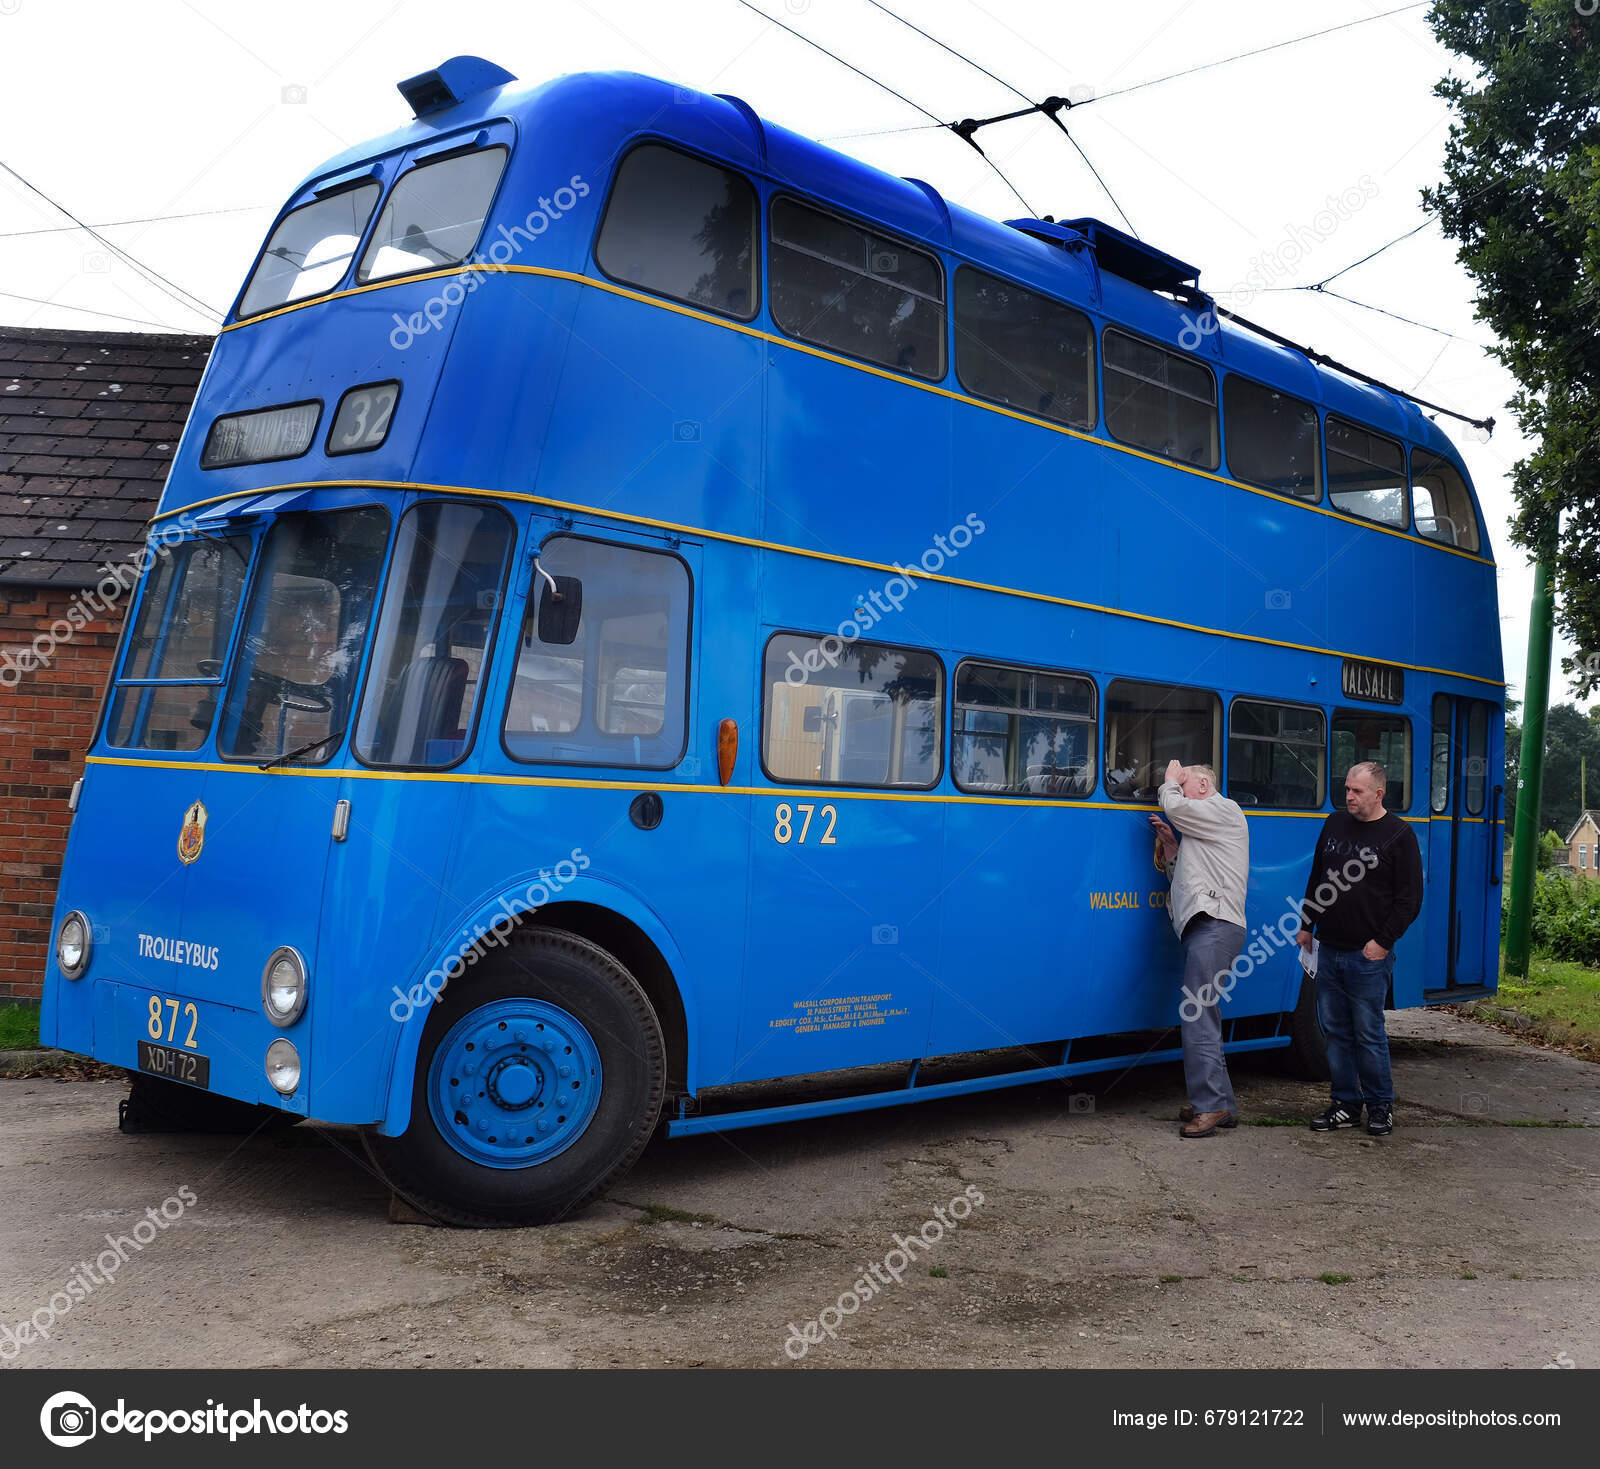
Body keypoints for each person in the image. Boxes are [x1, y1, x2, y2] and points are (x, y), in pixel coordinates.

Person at [1295, 761, 1424, 1137]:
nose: (1348, 796)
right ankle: (1345, 1104)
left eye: (1357, 791)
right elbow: (1318, 876)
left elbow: (1409, 899)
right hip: (1328, 950)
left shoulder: (1399, 835)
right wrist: (1307, 924)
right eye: (1347, 789)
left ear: (1379, 794)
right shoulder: (1333, 824)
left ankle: (1380, 1106)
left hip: (1368, 956)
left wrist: (1382, 943)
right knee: (1336, 1032)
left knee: (1369, 1033)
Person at [1148, 757, 1250, 1138]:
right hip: (1208, 927)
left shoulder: (1223, 809)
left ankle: (1210, 1106)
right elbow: (1189, 878)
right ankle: (1221, 1104)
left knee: (1197, 1014)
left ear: (1202, 787)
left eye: (1185, 783)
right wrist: (1173, 850)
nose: (1178, 788)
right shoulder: (1204, 827)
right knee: (1204, 1014)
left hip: (1215, 926)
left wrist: (1169, 783)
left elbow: (1173, 805)